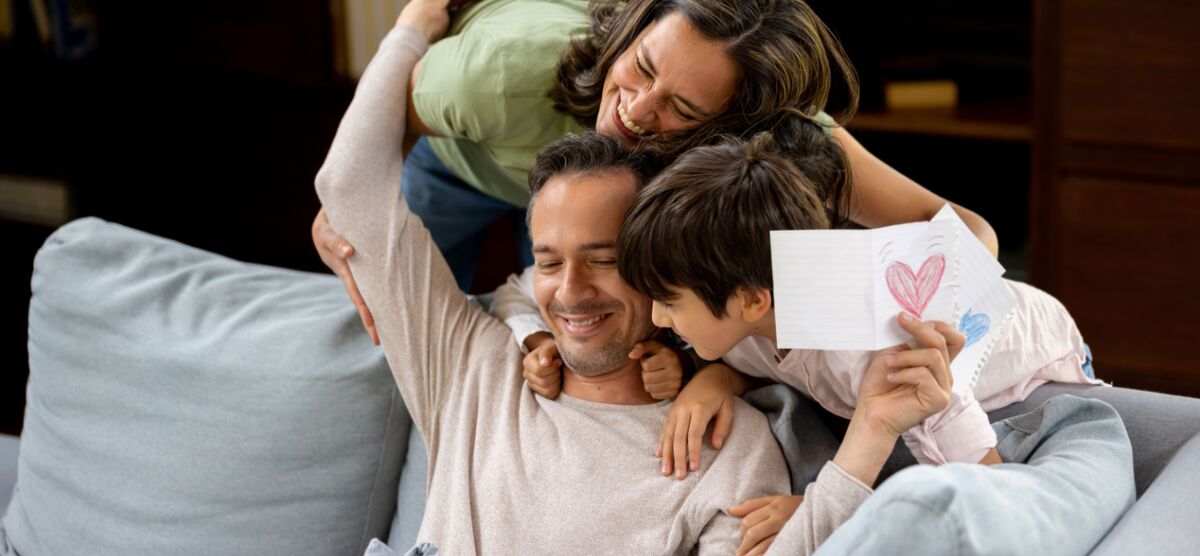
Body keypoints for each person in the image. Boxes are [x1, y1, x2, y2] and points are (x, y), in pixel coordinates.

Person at [313, 11, 966, 556]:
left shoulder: (726, 444)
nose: (569, 293)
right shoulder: (470, 358)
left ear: (667, 267)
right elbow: (351, 188)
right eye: (546, 260)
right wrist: (411, 27)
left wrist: (870, 433)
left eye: (603, 260)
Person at [312, 0, 999, 344]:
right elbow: (385, 110)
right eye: (641, 68)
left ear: (736, 125)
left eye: (682, 107)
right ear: (636, 29)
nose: (635, 110)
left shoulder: (782, 136)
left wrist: (920, 315)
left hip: (605, 211)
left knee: (587, 358)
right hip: (465, 161)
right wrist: (344, 204)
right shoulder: (498, 75)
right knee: (377, 327)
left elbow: (963, 229)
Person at [612, 125, 1100, 556]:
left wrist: (823, 512)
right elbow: (767, 362)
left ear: (752, 301)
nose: (656, 318)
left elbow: (986, 490)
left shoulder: (883, 356)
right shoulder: (745, 323)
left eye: (669, 302)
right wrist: (717, 379)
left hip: (1043, 350)